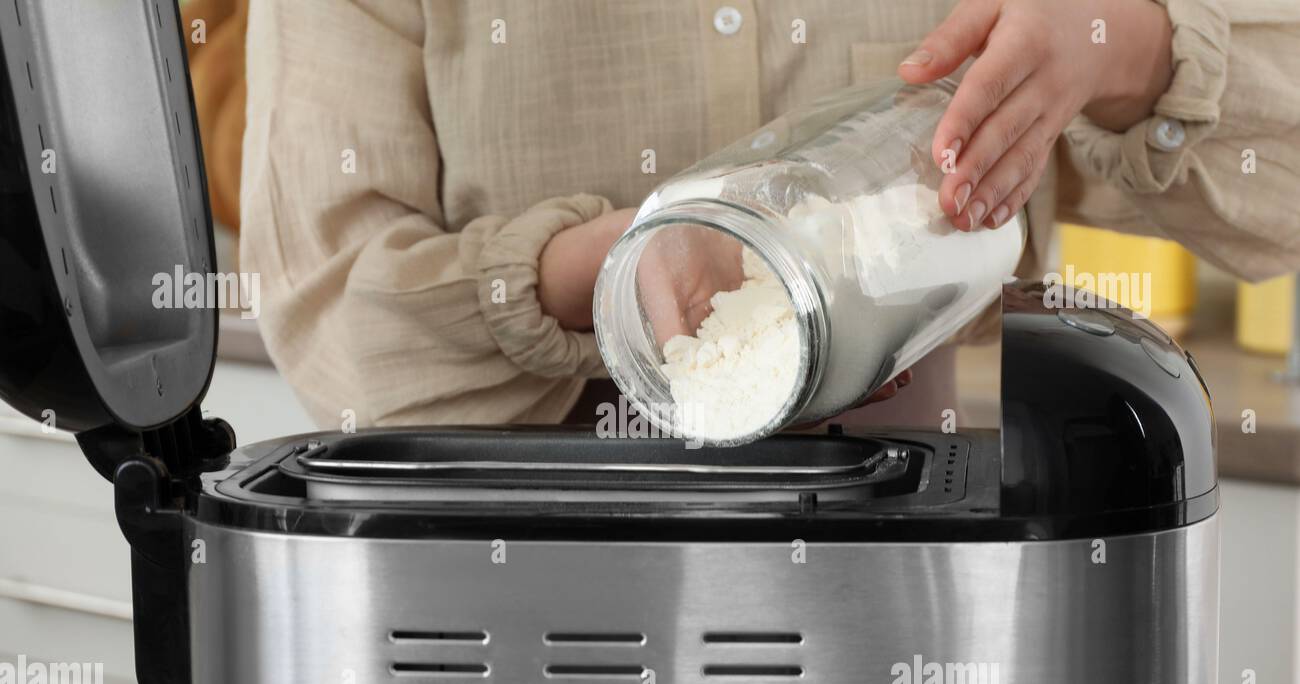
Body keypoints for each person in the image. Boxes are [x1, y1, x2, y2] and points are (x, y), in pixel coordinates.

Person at [240, 0, 1300, 431]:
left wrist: (1133, 47)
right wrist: (609, 270)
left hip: (921, 555)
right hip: (525, 576)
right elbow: (330, 314)